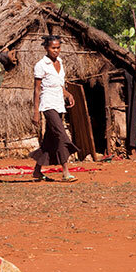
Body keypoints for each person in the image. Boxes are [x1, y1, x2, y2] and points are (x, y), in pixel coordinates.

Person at [29, 35, 79, 182]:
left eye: (58, 48)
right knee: (60, 135)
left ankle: (37, 171)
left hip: (59, 104)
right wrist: (36, 112)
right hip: (47, 104)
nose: (56, 51)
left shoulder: (60, 63)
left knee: (49, 140)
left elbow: (59, 85)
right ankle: (65, 172)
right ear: (46, 48)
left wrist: (68, 94)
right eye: (53, 48)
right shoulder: (41, 65)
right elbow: (37, 90)